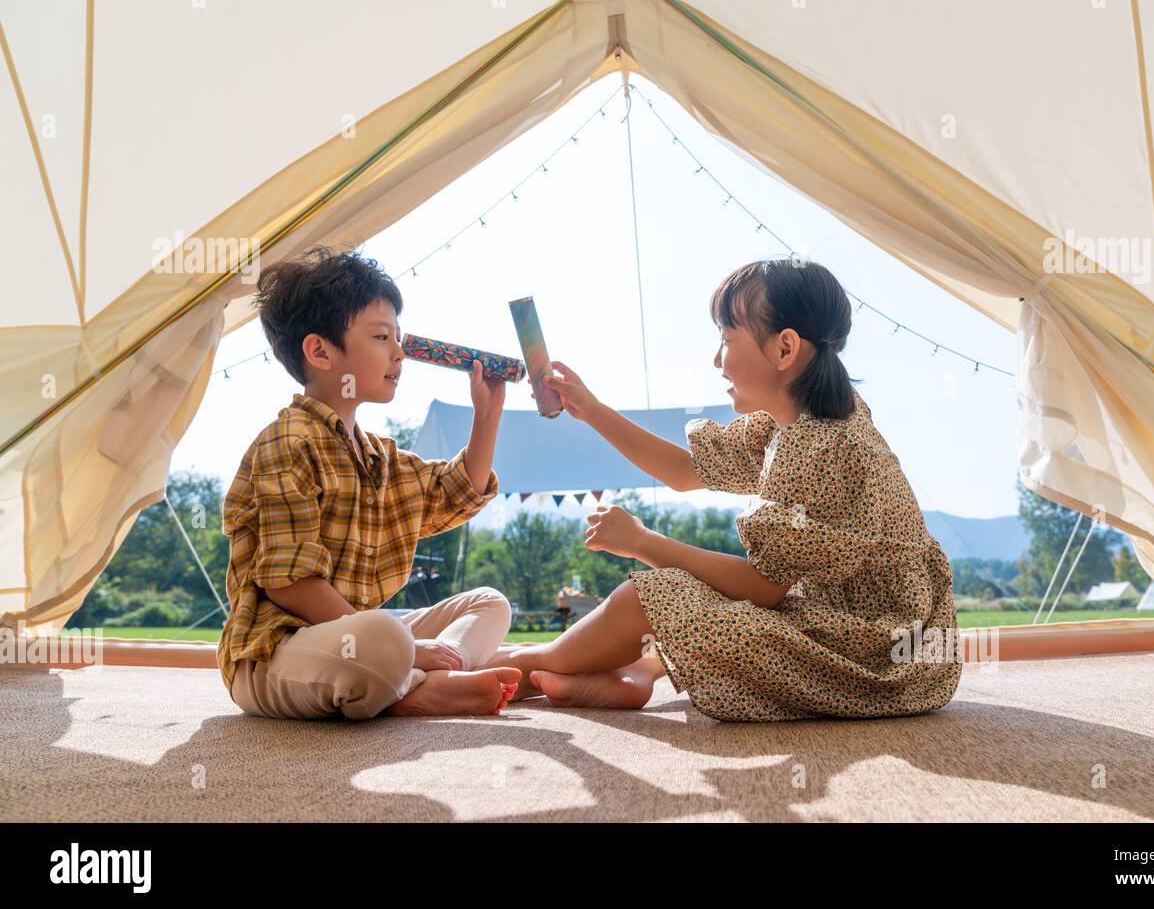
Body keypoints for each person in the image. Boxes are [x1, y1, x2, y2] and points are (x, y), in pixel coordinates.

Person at [496, 258, 963, 722]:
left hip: (872, 657)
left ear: (784, 349)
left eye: (727, 338)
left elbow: (762, 590)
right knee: (701, 597)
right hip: (873, 637)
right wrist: (592, 409)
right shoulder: (798, 424)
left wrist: (642, 542)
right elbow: (684, 470)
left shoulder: (820, 446)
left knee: (652, 596)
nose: (717, 360)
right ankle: (639, 671)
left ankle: (524, 667)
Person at [218, 246, 522, 720]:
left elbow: (455, 492)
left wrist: (487, 413)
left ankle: (430, 675)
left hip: (356, 636)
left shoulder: (380, 456)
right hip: (274, 656)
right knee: (383, 640)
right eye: (381, 336)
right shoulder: (287, 442)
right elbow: (291, 585)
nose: (399, 353)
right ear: (320, 350)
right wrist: (410, 647)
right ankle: (415, 682)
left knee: (489, 604)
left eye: (398, 338)